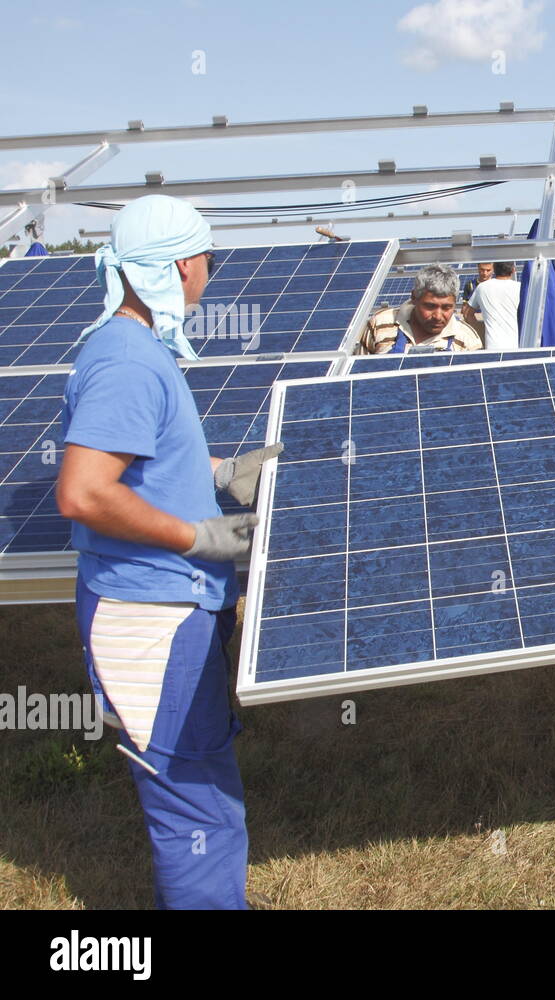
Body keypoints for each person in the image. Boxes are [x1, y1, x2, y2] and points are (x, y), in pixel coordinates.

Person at [56, 194, 281, 909]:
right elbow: (85, 492)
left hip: (169, 603)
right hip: (151, 613)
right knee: (196, 806)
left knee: (203, 783)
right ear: (184, 265)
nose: (208, 274)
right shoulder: (126, 359)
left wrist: (215, 474)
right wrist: (196, 534)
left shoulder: (134, 348)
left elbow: (143, 459)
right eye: (207, 261)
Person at [356, 263, 482, 355]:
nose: (438, 316)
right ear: (414, 298)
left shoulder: (467, 339)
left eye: (446, 308)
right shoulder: (380, 324)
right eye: (430, 306)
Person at [464, 261, 521, 351]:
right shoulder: (520, 288)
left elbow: (467, 314)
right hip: (517, 345)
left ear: (494, 269)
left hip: (491, 346)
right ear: (513, 270)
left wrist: (480, 333)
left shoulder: (481, 287)